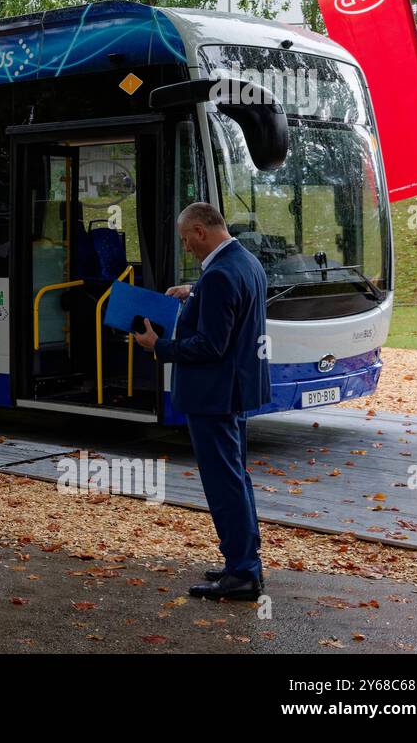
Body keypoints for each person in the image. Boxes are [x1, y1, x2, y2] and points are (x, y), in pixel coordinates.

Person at [133, 202, 271, 600]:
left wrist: (159, 346)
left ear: (199, 231)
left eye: (185, 239)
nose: (186, 248)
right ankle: (243, 563)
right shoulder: (246, 262)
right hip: (237, 391)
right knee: (237, 478)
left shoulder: (220, 275)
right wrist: (194, 293)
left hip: (213, 396)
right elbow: (234, 301)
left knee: (223, 482)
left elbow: (211, 345)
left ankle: (243, 572)